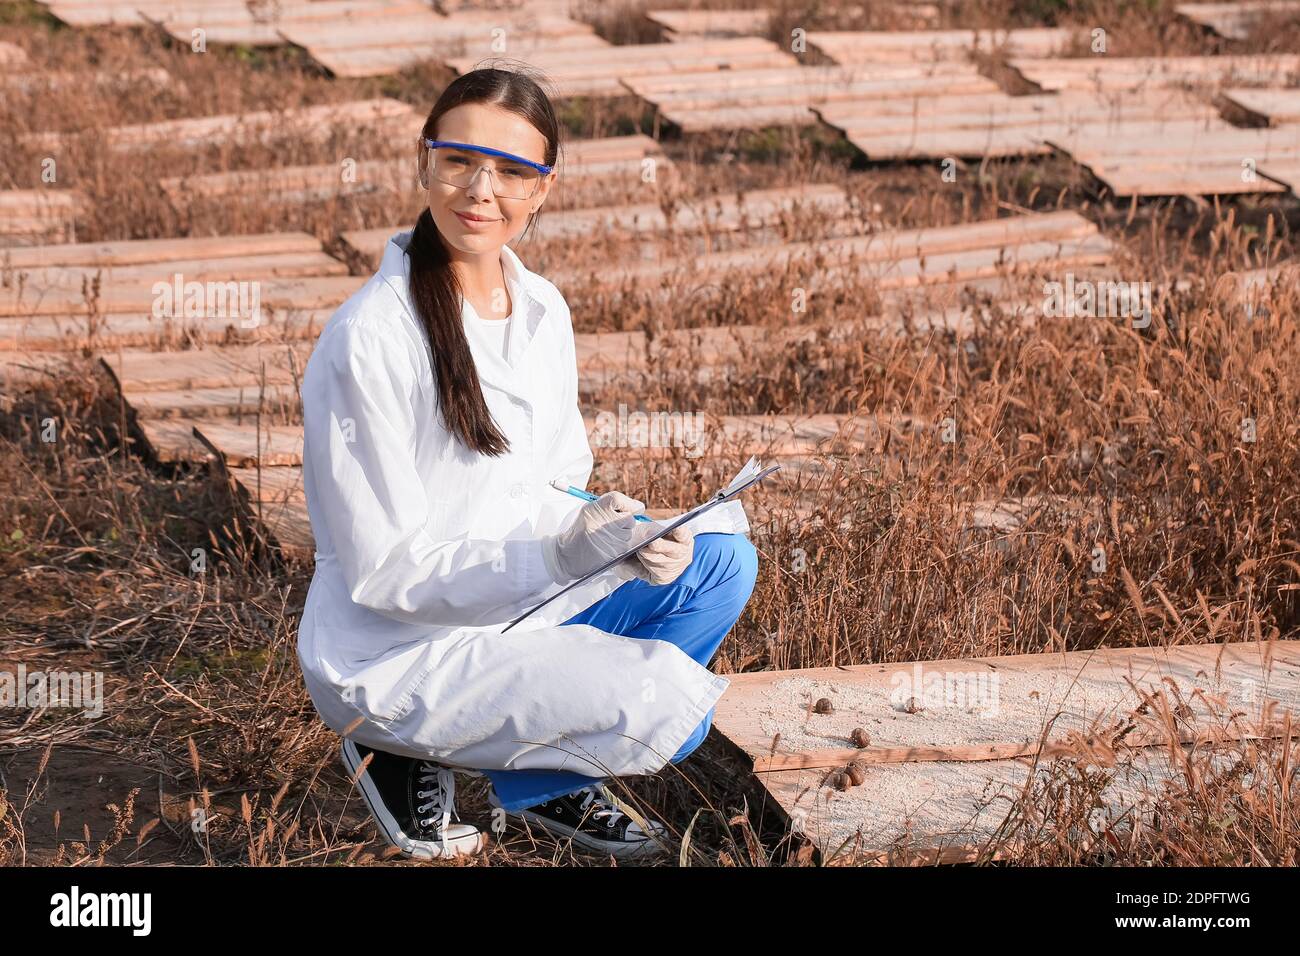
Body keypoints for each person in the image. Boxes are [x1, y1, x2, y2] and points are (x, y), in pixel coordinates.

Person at [297, 66, 759, 863]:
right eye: (460, 161)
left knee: (720, 561)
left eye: (513, 171)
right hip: (403, 651)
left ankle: (539, 782)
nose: (482, 190)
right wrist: (556, 555)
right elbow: (384, 574)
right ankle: (406, 748)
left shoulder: (541, 307)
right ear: (425, 161)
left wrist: (619, 532)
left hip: (518, 603)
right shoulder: (368, 339)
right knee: (672, 717)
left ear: (543, 190)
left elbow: (557, 476)